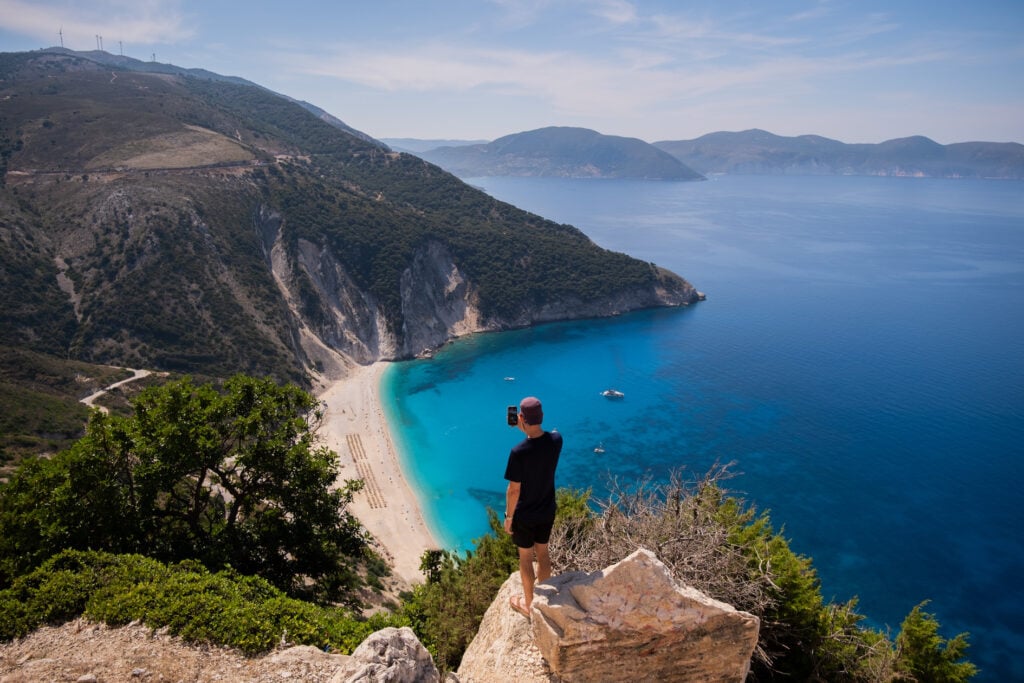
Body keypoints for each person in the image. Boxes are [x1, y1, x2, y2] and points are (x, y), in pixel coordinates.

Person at [503, 396, 563, 618]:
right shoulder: (556, 441)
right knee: (543, 553)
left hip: (525, 516)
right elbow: (546, 436)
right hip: (547, 510)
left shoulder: (518, 452)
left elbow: (513, 490)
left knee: (526, 558)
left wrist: (509, 518)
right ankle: (544, 602)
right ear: (543, 417)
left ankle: (530, 607)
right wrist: (528, 428)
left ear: (520, 418)